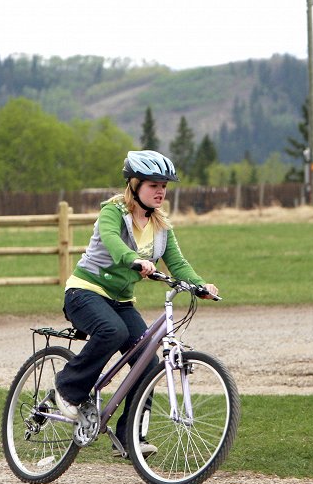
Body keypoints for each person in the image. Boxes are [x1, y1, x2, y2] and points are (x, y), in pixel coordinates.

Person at [53, 149, 219, 458]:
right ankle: (66, 388)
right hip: (84, 292)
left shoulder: (161, 227)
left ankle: (131, 436)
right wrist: (135, 260)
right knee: (112, 331)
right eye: (153, 185)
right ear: (135, 184)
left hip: (121, 300)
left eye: (164, 186)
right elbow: (114, 244)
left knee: (148, 362)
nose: (160, 192)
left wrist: (200, 285)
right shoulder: (113, 211)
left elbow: (178, 264)